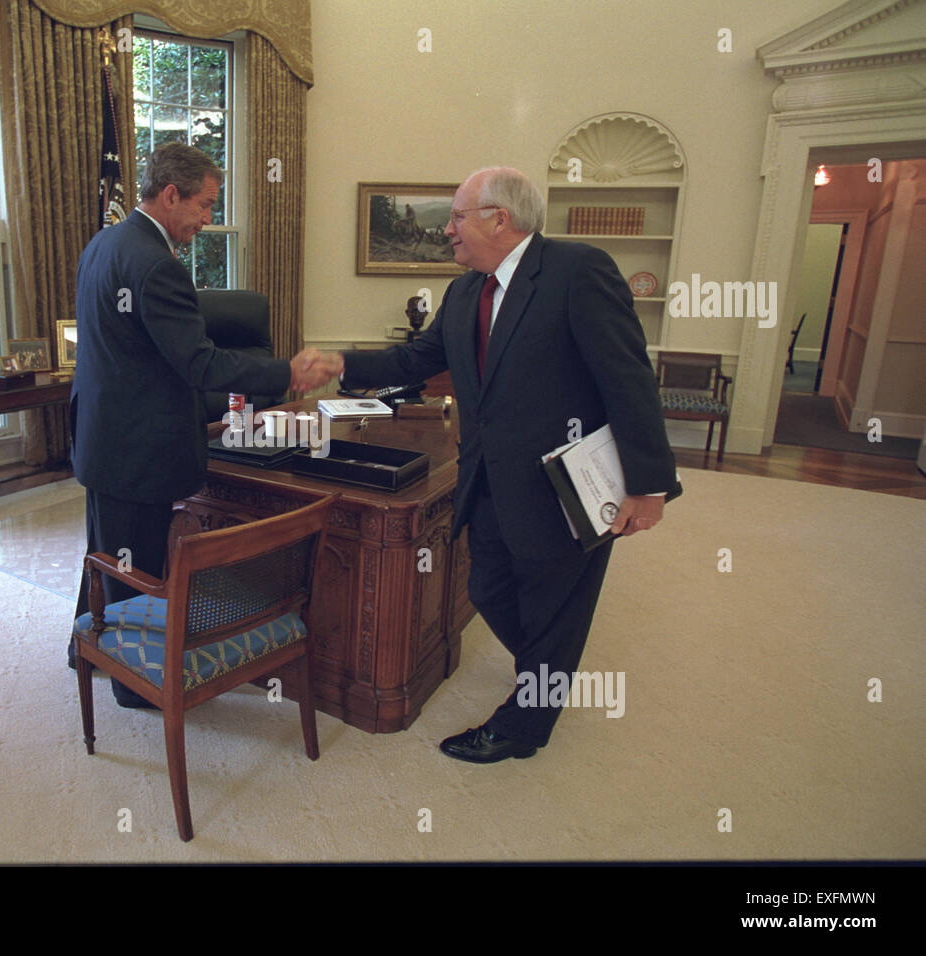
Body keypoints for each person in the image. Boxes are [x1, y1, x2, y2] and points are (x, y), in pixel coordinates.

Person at [301, 167, 677, 762]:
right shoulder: (464, 291)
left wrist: (648, 486)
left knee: (556, 606)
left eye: (456, 216)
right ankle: (545, 674)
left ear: (498, 218)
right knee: (487, 588)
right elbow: (414, 359)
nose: (446, 229)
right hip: (489, 479)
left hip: (566, 485)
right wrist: (339, 361)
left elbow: (628, 378)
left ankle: (526, 724)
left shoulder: (577, 271)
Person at [70, 142, 323, 708]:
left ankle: (83, 647)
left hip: (102, 437)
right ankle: (137, 689)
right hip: (136, 449)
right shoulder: (156, 264)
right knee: (135, 566)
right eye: (204, 206)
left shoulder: (105, 242)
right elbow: (201, 363)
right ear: (169, 196)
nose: (208, 220)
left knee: (106, 551)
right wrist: (287, 370)